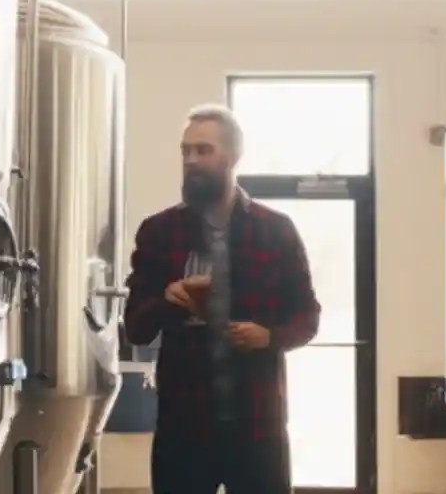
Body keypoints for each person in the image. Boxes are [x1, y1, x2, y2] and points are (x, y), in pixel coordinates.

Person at [123, 104, 321, 494]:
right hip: (183, 426)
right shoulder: (160, 232)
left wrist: (270, 337)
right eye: (185, 151)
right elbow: (135, 328)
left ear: (231, 157)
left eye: (203, 150)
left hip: (257, 425)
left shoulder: (275, 231)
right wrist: (167, 301)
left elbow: (308, 317)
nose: (191, 160)